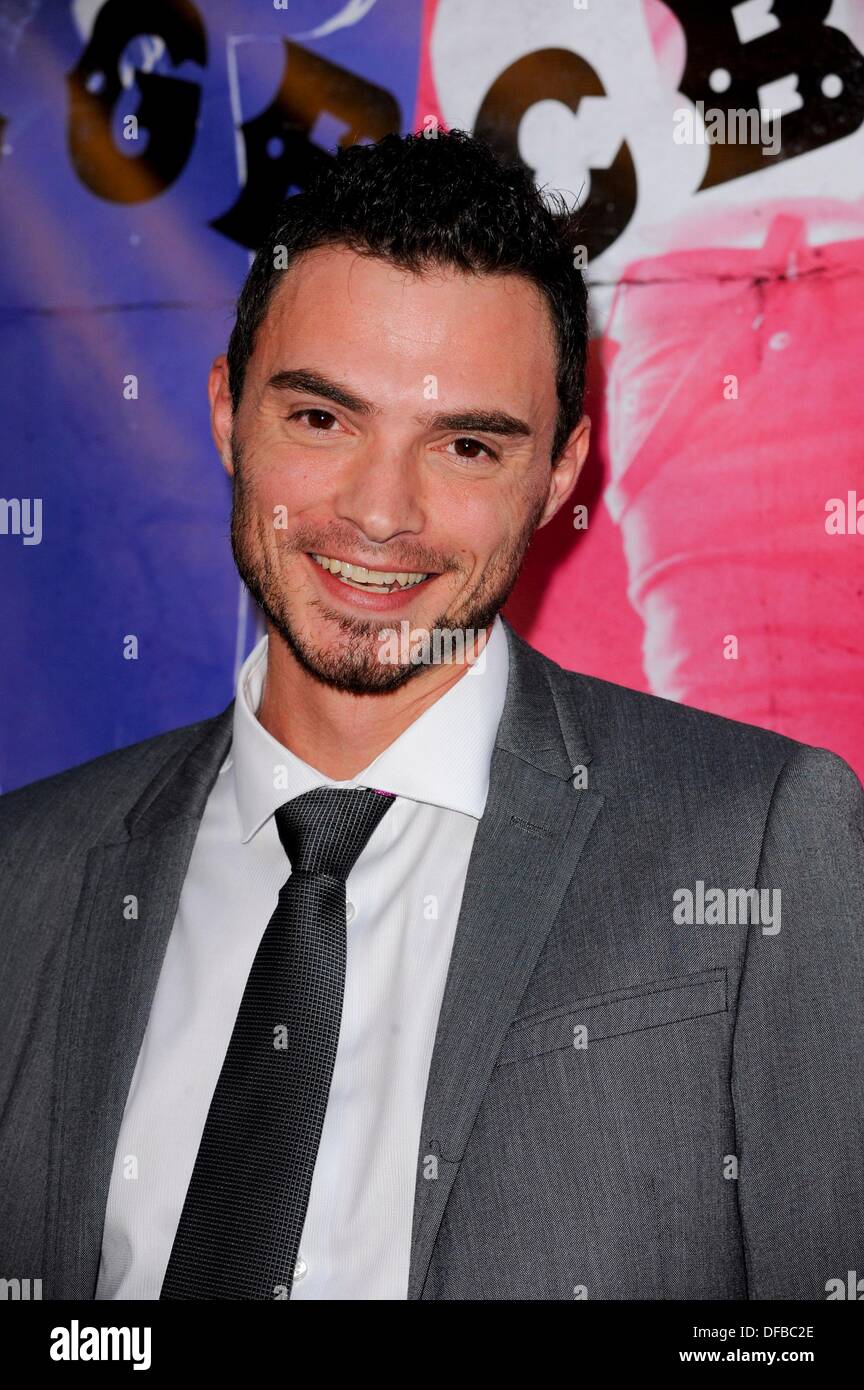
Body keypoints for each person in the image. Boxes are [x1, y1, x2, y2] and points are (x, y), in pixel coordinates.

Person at [0, 130, 861, 1302]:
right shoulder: (28, 872)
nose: (380, 513)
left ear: (560, 475)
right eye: (322, 420)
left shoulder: (759, 837)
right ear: (225, 412)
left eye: (464, 444)